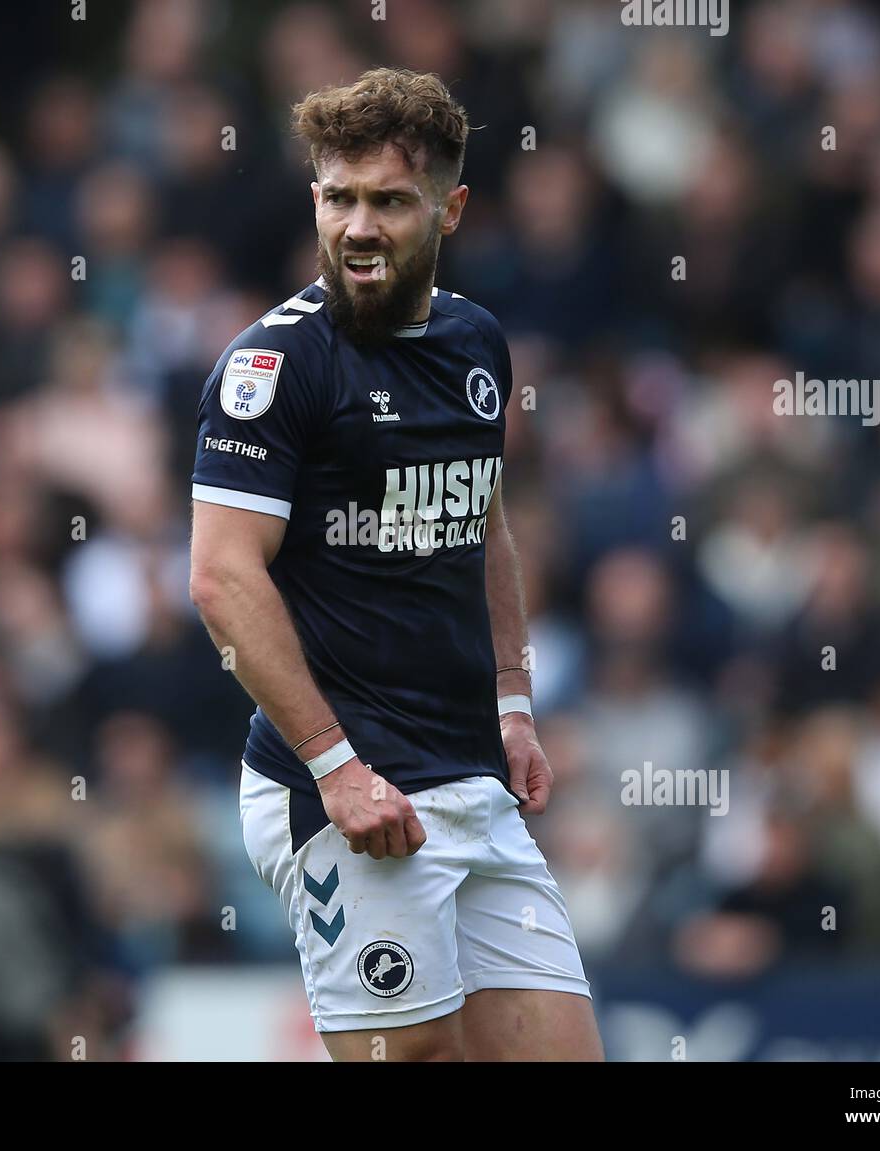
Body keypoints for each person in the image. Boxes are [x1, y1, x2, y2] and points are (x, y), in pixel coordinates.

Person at [188, 67, 602, 1062]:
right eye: (339, 197)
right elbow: (221, 578)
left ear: (449, 209)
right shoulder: (274, 365)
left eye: (388, 200)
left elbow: (483, 522)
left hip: (469, 777)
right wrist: (337, 769)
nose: (359, 227)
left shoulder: (476, 340)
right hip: (349, 797)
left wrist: (511, 699)